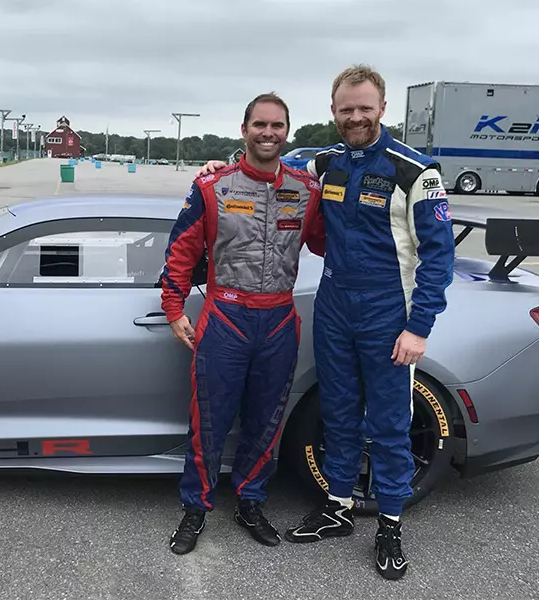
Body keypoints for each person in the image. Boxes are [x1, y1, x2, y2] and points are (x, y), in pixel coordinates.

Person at [195, 65, 456, 580]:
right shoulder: (323, 162)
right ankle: (337, 507)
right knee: (337, 412)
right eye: (345, 109)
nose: (355, 117)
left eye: (364, 108)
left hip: (388, 312)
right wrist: (217, 166)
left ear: (382, 109)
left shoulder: (416, 170)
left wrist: (419, 326)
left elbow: (438, 258)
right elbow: (262, 162)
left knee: (387, 423)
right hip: (336, 306)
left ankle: (389, 525)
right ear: (333, 112)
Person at [161, 92, 326, 555]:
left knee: (266, 421)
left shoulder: (306, 190)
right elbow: (181, 251)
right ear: (244, 129)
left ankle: (251, 501)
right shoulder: (214, 186)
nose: (268, 133)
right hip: (225, 317)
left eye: (277, 126)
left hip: (277, 318)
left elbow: (328, 242)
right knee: (208, 422)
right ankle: (195, 508)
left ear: (286, 132)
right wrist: (174, 308)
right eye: (260, 125)